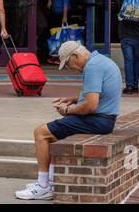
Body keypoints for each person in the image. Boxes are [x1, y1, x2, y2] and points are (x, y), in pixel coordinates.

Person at [14, 40, 122, 201]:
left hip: (98, 120)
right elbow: (97, 95)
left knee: (41, 133)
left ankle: (43, 186)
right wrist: (73, 99)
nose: (69, 68)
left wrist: (68, 110)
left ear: (75, 55)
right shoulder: (101, 60)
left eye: (67, 63)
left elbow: (91, 105)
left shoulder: (92, 67)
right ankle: (49, 182)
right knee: (53, 136)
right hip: (105, 118)